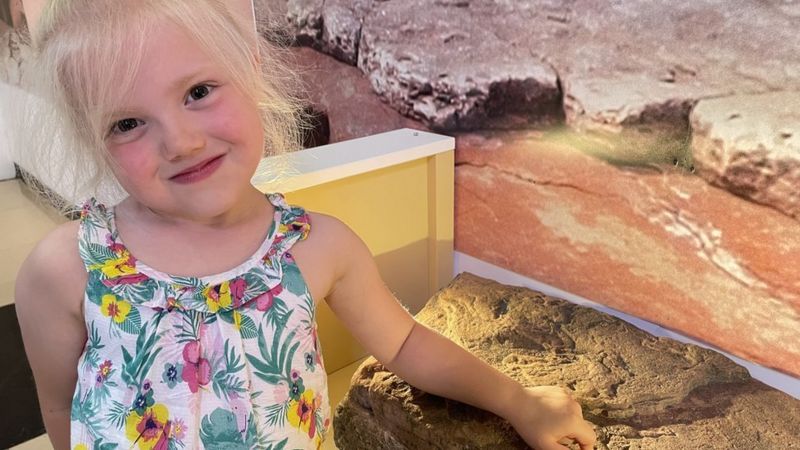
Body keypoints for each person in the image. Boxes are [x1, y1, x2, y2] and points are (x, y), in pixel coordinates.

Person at [13, 1, 597, 449]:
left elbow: (406, 342)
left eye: (198, 91)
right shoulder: (64, 271)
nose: (181, 142)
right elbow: (63, 410)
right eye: (127, 122)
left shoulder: (318, 247)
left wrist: (518, 401)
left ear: (249, 67)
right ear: (92, 137)